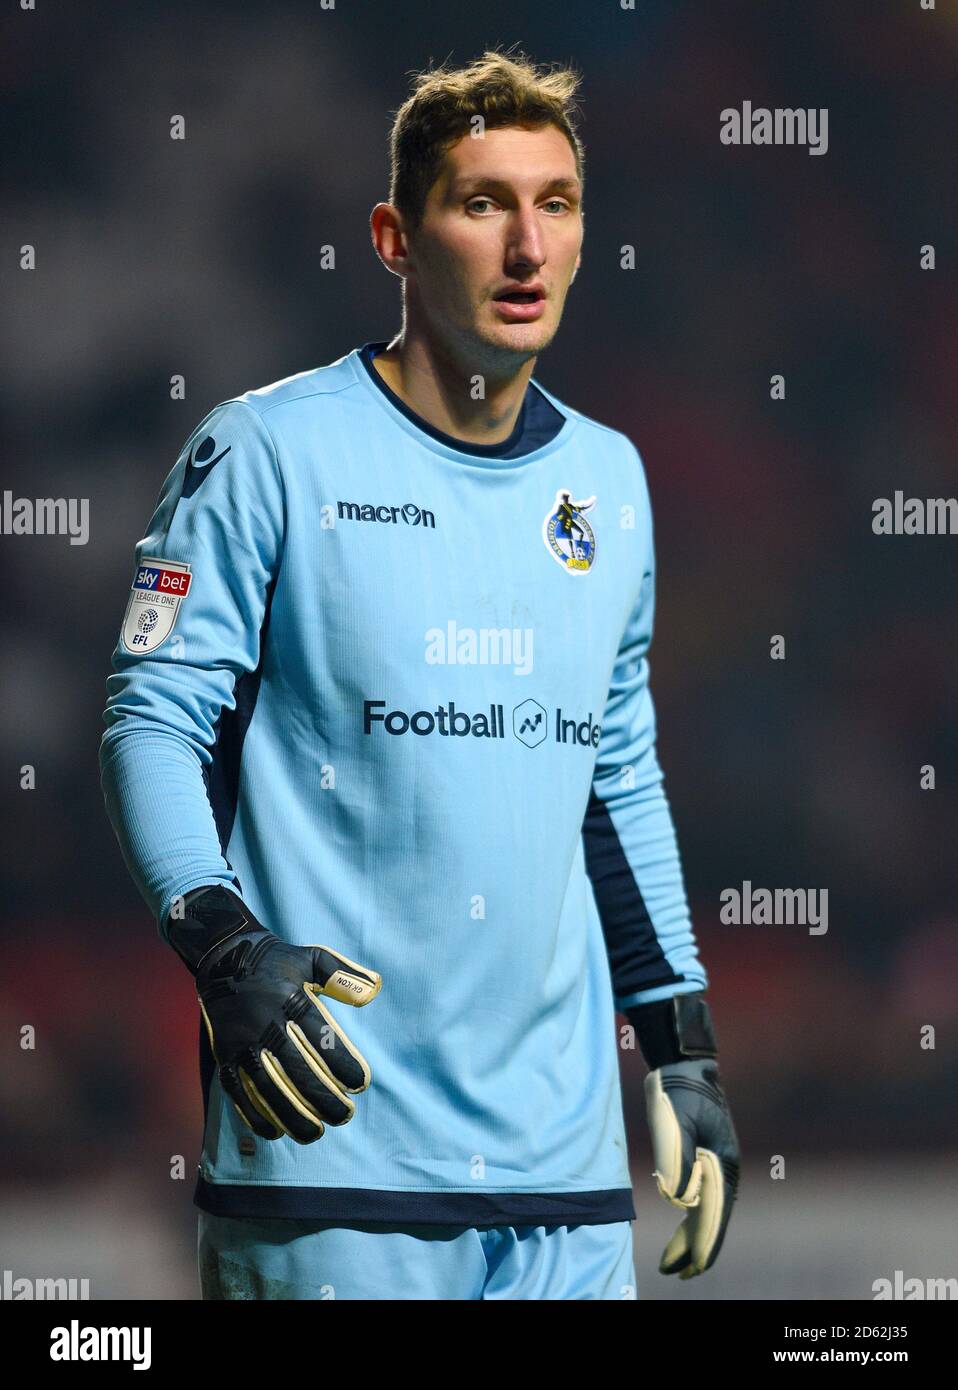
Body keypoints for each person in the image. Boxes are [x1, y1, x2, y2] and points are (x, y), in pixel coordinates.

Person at [100, 47, 739, 1302]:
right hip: (333, 1155)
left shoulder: (608, 481)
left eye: (554, 204)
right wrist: (223, 945)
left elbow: (614, 777)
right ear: (395, 235)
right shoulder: (266, 450)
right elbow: (152, 720)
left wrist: (683, 1048)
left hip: (565, 1182)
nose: (526, 247)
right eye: (482, 202)